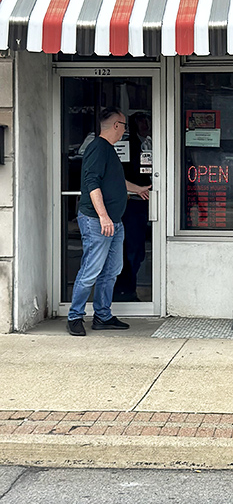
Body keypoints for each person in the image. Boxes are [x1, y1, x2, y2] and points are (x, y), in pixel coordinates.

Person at [67, 107, 150, 336]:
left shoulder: (109, 150)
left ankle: (102, 315)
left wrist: (138, 189)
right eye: (123, 125)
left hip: (114, 221)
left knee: (112, 270)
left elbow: (117, 181)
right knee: (91, 269)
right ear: (116, 126)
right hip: (97, 221)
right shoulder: (98, 148)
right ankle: (75, 316)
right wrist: (103, 216)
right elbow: (92, 184)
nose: (125, 130)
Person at [114, 112, 152, 300]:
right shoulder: (127, 145)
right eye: (141, 122)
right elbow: (121, 174)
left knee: (138, 250)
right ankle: (125, 290)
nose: (146, 125)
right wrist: (132, 190)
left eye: (147, 121)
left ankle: (128, 287)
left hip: (147, 202)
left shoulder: (154, 141)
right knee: (131, 249)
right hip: (132, 203)